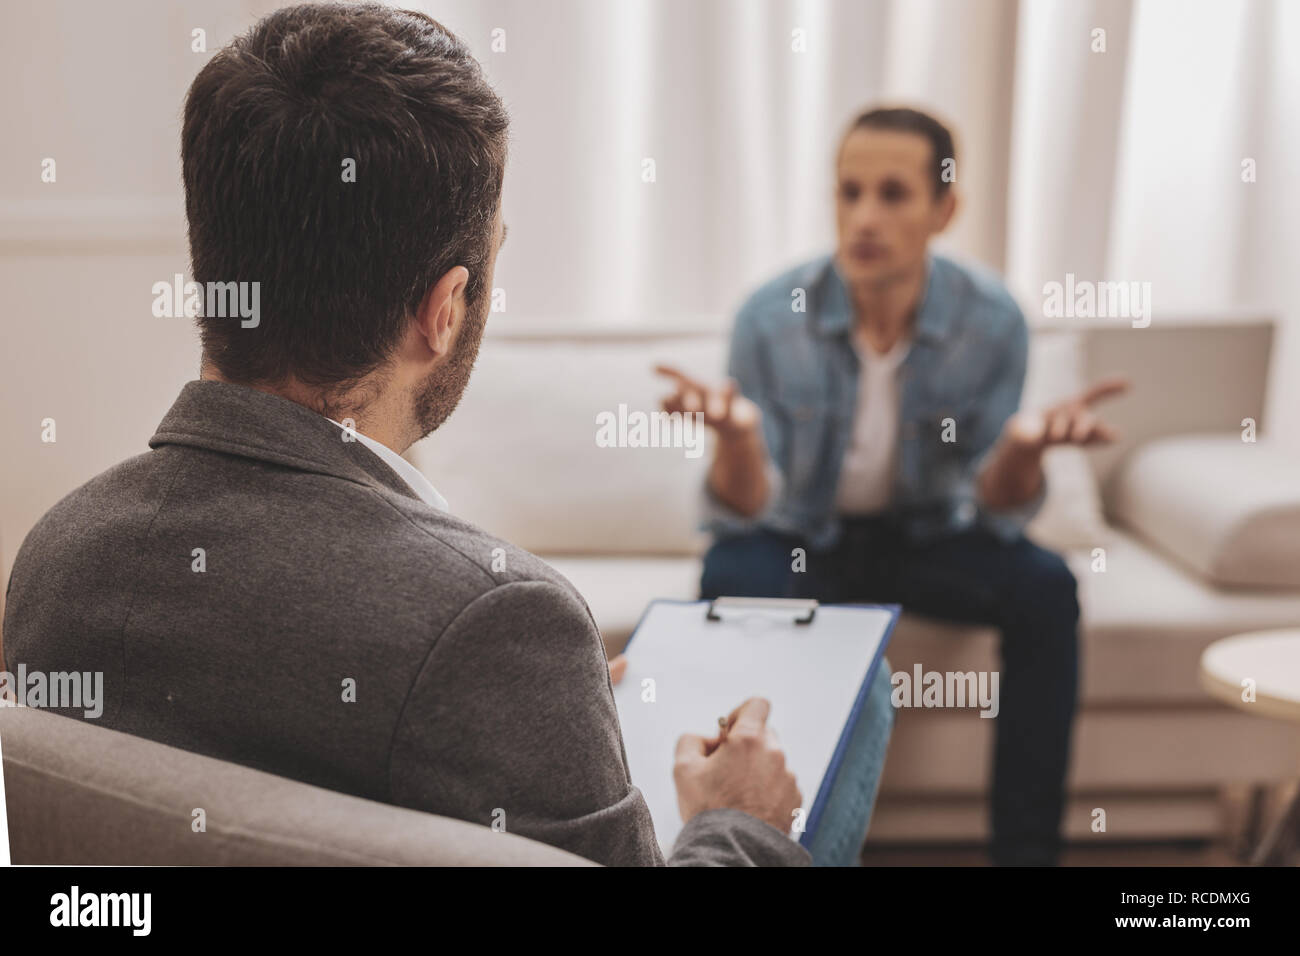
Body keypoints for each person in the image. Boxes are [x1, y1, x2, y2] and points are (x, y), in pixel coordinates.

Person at [3, 2, 818, 867]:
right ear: (444, 309)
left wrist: (550, 729)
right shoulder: (500, 620)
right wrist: (745, 825)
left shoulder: (58, 553)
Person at [657, 106, 1127, 866]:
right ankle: (735, 850)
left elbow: (998, 504)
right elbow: (745, 506)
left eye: (892, 193)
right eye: (849, 192)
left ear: (945, 208)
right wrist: (737, 438)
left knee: (1047, 587)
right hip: (802, 539)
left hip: (925, 538)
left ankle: (1028, 856)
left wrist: (1022, 449)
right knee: (729, 571)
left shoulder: (992, 321)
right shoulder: (772, 317)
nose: (864, 216)